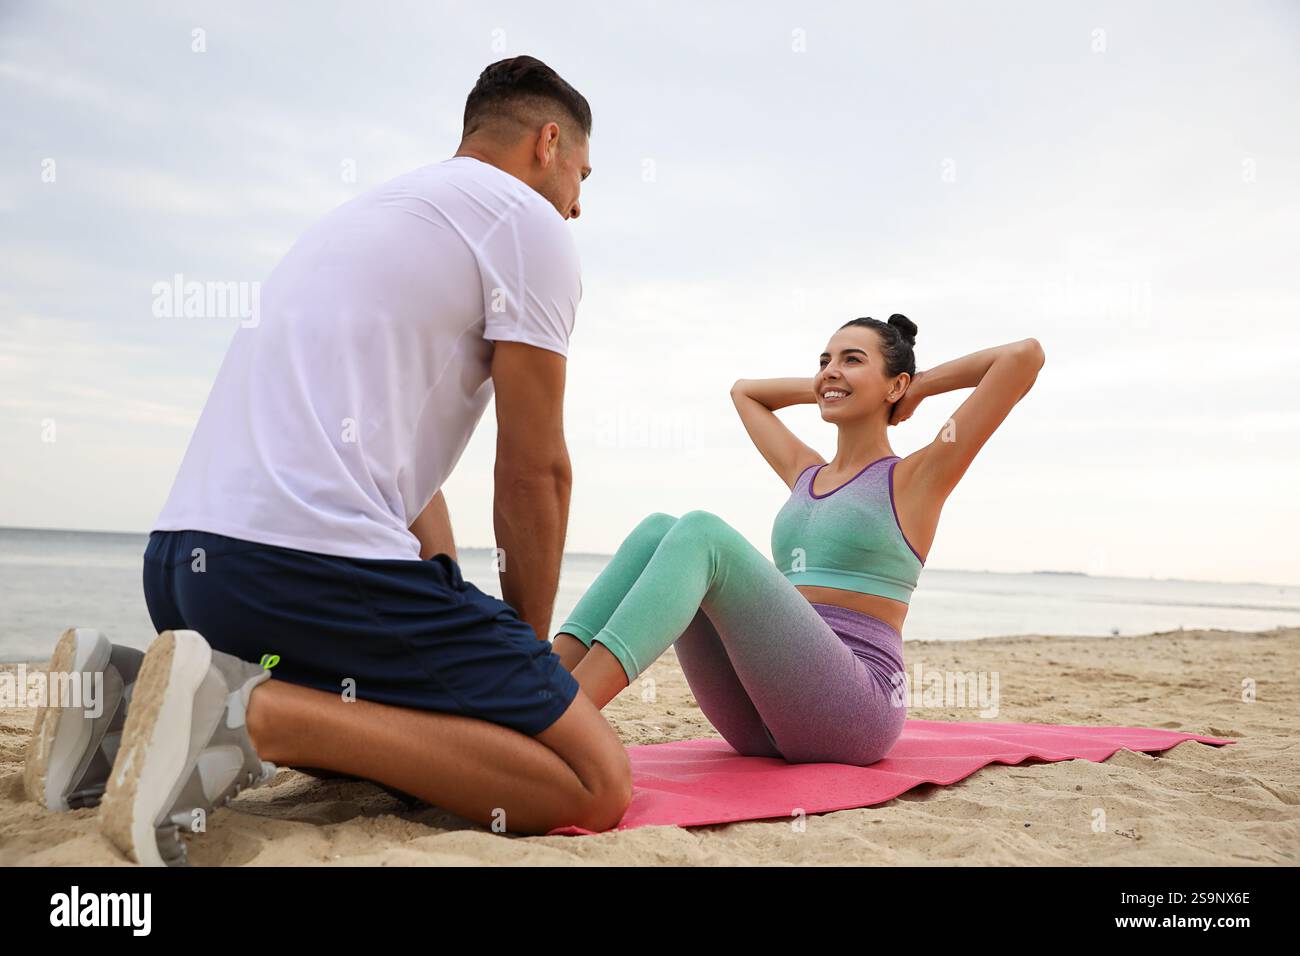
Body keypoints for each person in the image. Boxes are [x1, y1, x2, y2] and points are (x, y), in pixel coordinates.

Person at [23, 55, 633, 866]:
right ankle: (248, 712)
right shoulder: (527, 223)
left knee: (416, 747)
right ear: (546, 144)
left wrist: (454, 608)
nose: (579, 204)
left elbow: (401, 479)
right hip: (303, 571)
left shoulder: (378, 212)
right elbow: (535, 470)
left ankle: (128, 693)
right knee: (592, 784)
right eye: (580, 175)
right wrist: (520, 677)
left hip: (184, 572)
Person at [551, 315, 1045, 764]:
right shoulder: (805, 473)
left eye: (853, 359)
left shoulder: (917, 478)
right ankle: (540, 689)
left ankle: (560, 720)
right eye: (824, 361)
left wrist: (912, 389)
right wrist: (835, 387)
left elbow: (1023, 357)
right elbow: (745, 392)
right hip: (764, 715)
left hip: (855, 711)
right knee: (659, 528)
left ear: (895, 383)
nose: (831, 369)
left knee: (702, 531)